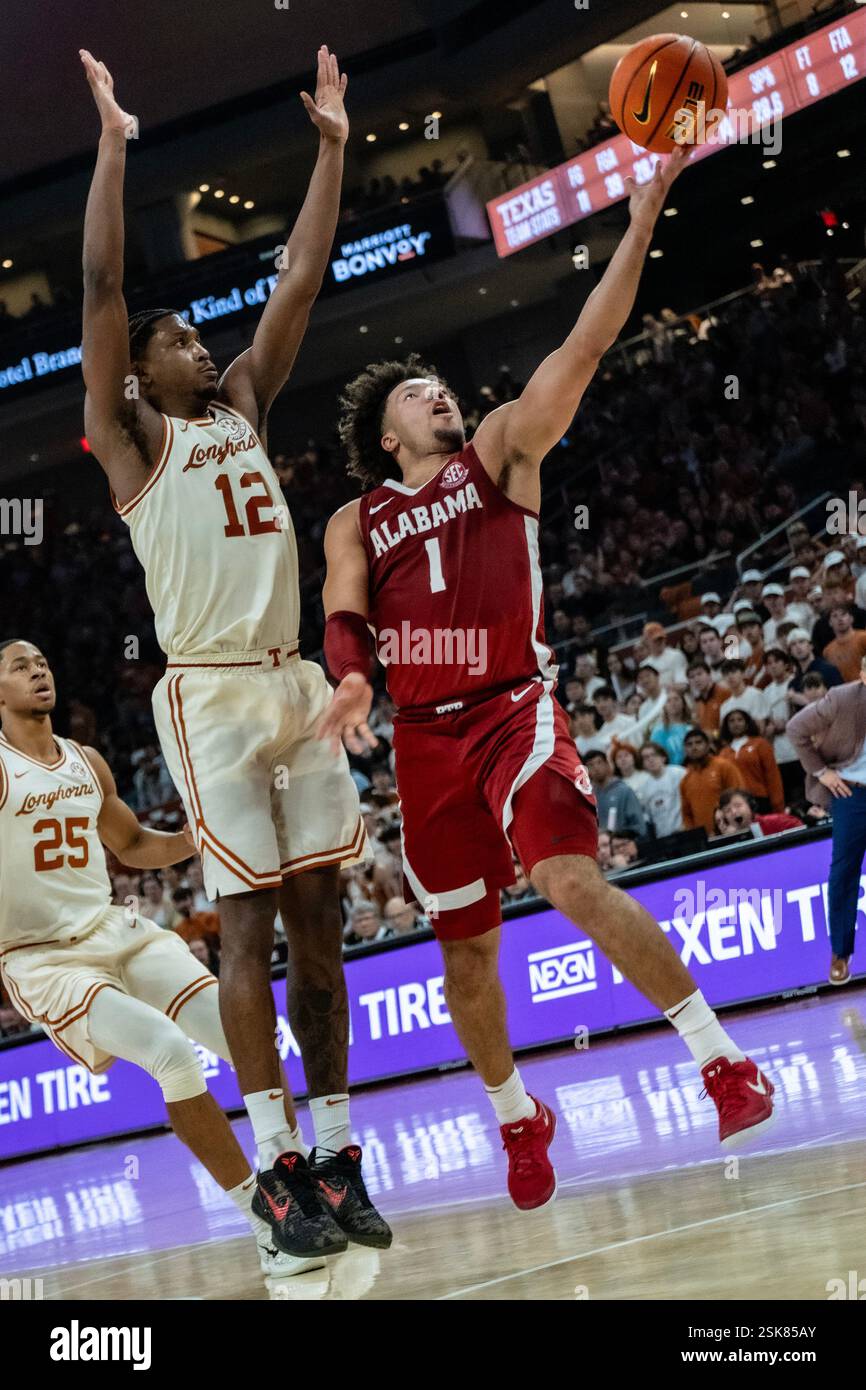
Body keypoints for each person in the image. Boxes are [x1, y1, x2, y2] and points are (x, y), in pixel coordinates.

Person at [317, 146, 774, 1210]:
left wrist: (639, 218)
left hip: (513, 710)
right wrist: (348, 682)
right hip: (424, 744)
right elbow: (344, 611)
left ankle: (721, 1061)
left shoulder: (499, 453)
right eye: (423, 394)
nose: (445, 399)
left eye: (445, 389)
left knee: (568, 880)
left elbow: (586, 340)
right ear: (388, 433)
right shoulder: (355, 518)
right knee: (465, 960)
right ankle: (518, 1120)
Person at [78, 49, 390, 1250]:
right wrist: (113, 145)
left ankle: (336, 1150)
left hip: (292, 680)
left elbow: (300, 281)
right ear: (142, 370)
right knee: (250, 931)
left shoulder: (246, 405)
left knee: (324, 931)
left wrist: (330, 148)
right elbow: (103, 280)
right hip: (208, 692)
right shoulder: (133, 439)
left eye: (206, 337)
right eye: (182, 340)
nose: (203, 347)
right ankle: (274, 1167)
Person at [0, 640, 323, 1280]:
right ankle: (265, 1220)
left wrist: (189, 841)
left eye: (43, 661)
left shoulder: (85, 762)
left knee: (250, 1036)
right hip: (43, 961)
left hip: (115, 928)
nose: (39, 670)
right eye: (19, 666)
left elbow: (130, 842)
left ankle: (299, 1186)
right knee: (170, 1054)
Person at [788, 659, 866, 985]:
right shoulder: (842, 698)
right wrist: (822, 772)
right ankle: (840, 952)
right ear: (862, 674)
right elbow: (795, 729)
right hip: (851, 792)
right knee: (844, 871)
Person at [717, 711, 784, 813]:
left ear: (747, 723)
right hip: (734, 804)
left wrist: (777, 803)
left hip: (760, 799)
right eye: (731, 721)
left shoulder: (760, 744)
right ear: (726, 726)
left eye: (740, 720)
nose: (736, 723)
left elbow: (772, 775)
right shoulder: (723, 753)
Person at [680, 728, 741, 835]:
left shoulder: (724, 766)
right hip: (704, 839)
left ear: (708, 745)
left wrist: (729, 826)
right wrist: (696, 836)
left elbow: (738, 798)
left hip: (730, 831)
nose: (694, 747)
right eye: (689, 744)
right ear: (685, 749)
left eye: (698, 742)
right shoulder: (685, 780)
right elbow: (687, 814)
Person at [585, 749, 648, 838]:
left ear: (607, 765)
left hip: (624, 845)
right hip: (601, 849)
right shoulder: (587, 798)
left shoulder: (624, 790)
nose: (596, 768)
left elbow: (639, 827)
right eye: (590, 765)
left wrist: (618, 836)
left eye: (599, 762)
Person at [638, 741, 685, 838]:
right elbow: (649, 817)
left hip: (684, 832)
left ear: (663, 757)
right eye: (646, 757)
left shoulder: (679, 773)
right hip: (663, 837)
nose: (650, 759)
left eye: (653, 755)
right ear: (643, 764)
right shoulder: (644, 788)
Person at [716, 789, 803, 838]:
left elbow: (801, 830)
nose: (734, 812)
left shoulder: (774, 821)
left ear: (750, 805)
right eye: (727, 810)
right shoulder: (729, 838)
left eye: (738, 805)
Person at [822, 602, 866, 682]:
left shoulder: (863, 637)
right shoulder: (828, 651)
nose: (840, 618)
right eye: (835, 616)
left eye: (843, 614)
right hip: (844, 692)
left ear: (851, 618)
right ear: (830, 622)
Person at [648, 689, 692, 766]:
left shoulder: (691, 727)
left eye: (676, 699)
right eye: (668, 701)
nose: (673, 703)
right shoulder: (658, 731)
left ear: (683, 703)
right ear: (664, 706)